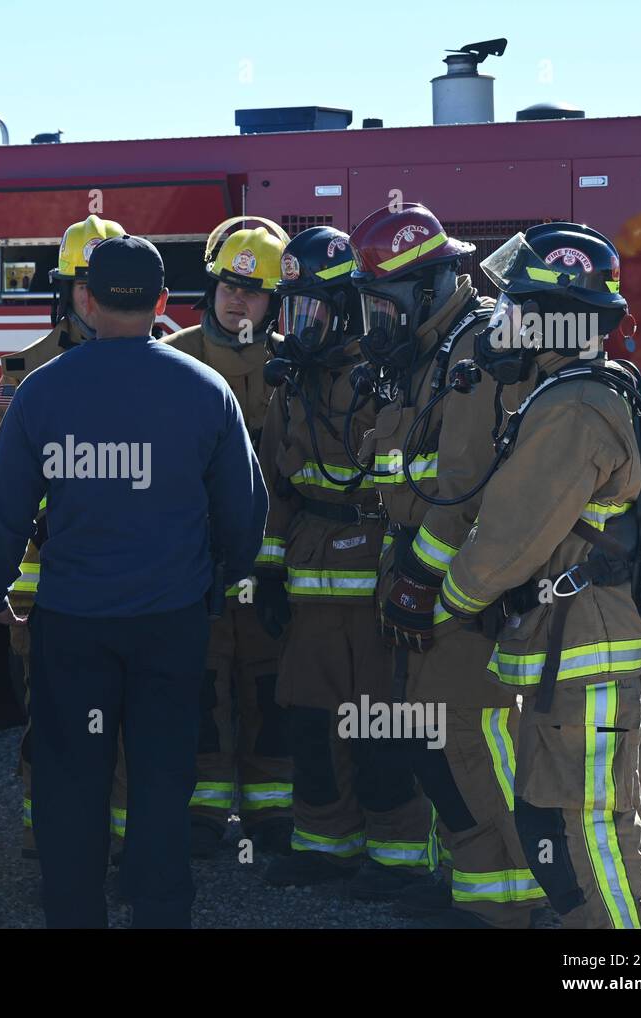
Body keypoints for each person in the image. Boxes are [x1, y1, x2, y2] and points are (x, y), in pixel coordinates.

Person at [0, 235, 268, 928]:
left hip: (71, 624)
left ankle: (75, 914)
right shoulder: (205, 388)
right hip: (171, 622)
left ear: (85, 298)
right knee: (163, 780)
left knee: (71, 779)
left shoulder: (42, 389)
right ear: (165, 303)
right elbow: (244, 513)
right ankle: (160, 912)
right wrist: (218, 582)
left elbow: (3, 506)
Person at [440, 222, 641, 928]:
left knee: (578, 824)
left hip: (578, 645)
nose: (500, 327)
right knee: (608, 816)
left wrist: (448, 600)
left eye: (516, 310)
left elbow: (509, 539)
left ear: (551, 320)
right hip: (589, 642)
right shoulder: (589, 388)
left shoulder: (571, 407)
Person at [353, 203, 546, 928]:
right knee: (430, 741)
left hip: (460, 590)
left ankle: (514, 902)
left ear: (431, 286)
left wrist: (421, 580)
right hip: (422, 578)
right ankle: (466, 880)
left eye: (386, 305)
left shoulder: (474, 353)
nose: (378, 322)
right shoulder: (424, 355)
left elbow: (462, 492)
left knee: (467, 739)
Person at [258, 227, 434, 895]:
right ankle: (324, 844)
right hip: (310, 588)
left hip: (375, 584)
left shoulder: (389, 378)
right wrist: (268, 569)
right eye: (293, 313)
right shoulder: (292, 384)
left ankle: (397, 857)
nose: (301, 329)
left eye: (314, 313)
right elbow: (274, 481)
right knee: (308, 717)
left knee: (383, 723)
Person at [0, 214, 129, 859]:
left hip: (134, 578)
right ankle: (53, 841)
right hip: (50, 584)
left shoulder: (163, 363)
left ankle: (125, 844)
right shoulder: (25, 371)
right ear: (65, 292)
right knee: (55, 717)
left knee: (131, 721)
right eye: (80, 287)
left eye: (103, 287)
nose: (91, 302)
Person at [163, 216, 293, 858]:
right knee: (200, 690)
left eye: (254, 291)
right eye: (228, 286)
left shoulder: (294, 365)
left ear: (274, 301)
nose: (238, 299)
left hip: (272, 572)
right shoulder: (173, 358)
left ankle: (273, 810)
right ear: (211, 287)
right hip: (197, 568)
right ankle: (202, 813)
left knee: (269, 691)